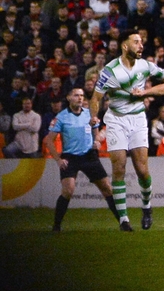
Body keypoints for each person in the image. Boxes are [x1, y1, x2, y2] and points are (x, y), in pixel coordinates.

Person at [89, 33, 164, 229]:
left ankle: (146, 208)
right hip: (116, 120)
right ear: (124, 46)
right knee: (119, 168)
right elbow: (95, 98)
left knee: (142, 170)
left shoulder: (145, 66)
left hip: (137, 119)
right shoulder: (110, 71)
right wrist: (94, 117)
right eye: (136, 42)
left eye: (141, 42)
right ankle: (123, 219)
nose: (141, 46)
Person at [42, 88, 122, 232]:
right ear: (68, 98)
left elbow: (96, 132)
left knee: (107, 188)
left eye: (82, 96)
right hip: (70, 157)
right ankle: (56, 226)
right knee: (68, 190)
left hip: (89, 156)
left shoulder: (89, 114)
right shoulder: (61, 117)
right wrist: (58, 159)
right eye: (76, 95)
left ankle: (123, 222)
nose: (80, 98)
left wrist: (96, 141)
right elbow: (49, 141)